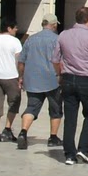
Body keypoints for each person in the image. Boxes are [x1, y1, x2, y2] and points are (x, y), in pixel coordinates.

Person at [56, 6, 88, 165]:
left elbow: (55, 59)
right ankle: (84, 149)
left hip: (68, 79)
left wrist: (59, 74)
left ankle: (69, 154)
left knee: (70, 117)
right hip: (85, 80)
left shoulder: (63, 34)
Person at [16, 17, 63, 150]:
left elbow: (21, 61)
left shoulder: (30, 39)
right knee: (56, 109)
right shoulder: (57, 39)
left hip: (33, 79)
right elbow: (61, 60)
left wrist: (21, 76)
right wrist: (61, 75)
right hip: (52, 79)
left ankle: (23, 132)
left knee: (31, 107)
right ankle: (53, 137)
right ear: (53, 25)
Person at [0, 20, 24, 141]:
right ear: (9, 28)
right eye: (15, 27)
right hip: (11, 75)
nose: (16, 30)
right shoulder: (15, 41)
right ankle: (7, 129)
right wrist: (21, 76)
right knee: (14, 102)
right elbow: (19, 60)